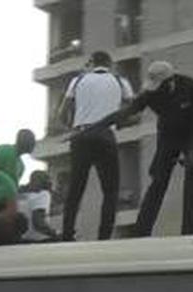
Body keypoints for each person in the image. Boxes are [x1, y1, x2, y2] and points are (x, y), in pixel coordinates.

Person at [82, 61, 193, 237]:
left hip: (192, 134)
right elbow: (128, 111)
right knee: (158, 181)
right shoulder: (150, 93)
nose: (156, 91)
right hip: (168, 135)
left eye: (160, 86)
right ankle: (141, 231)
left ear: (170, 81)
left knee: (192, 179)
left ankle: (191, 230)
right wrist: (98, 125)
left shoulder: (189, 86)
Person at [57, 51, 135, 241]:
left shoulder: (77, 80)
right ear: (110, 63)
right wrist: (118, 121)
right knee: (110, 190)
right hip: (106, 135)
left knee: (76, 188)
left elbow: (61, 114)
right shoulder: (120, 81)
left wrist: (73, 127)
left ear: (91, 63)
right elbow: (134, 111)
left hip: (81, 135)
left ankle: (67, 234)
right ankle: (104, 236)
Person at [16, 170, 60, 242]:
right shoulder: (43, 194)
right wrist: (56, 234)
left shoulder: (19, 195)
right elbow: (38, 222)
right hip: (38, 240)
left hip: (19, 239)